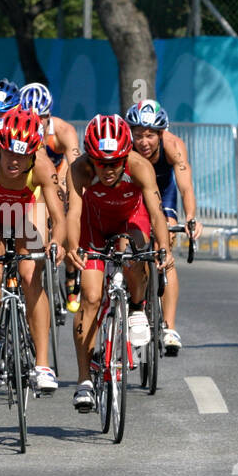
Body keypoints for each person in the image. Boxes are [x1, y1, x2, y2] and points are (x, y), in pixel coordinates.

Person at [65, 115, 173, 413]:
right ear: (90, 158)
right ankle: (84, 380)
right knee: (90, 297)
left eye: (115, 163)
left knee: (134, 252)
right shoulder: (79, 170)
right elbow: (73, 214)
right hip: (94, 226)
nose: (109, 169)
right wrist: (72, 246)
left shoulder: (139, 166)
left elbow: (155, 211)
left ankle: (137, 307)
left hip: (131, 220)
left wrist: (163, 247)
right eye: (102, 163)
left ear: (125, 157)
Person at [0, 106, 66, 393]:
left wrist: (56, 241)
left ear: (33, 152)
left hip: (28, 215)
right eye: (8, 152)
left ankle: (43, 364)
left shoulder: (44, 166)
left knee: (31, 276)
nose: (14, 160)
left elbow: (59, 218)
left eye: (22, 155)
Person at [124, 100, 200, 355]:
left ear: (160, 134)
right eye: (138, 135)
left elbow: (186, 186)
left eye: (149, 135)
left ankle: (169, 326)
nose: (144, 142)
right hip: (135, 195)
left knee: (164, 250)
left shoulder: (173, 146)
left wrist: (190, 218)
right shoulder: (125, 148)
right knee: (133, 243)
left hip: (164, 193)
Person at [21, 82, 82, 311]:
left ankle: (70, 272)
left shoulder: (63, 131)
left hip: (59, 177)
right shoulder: (19, 128)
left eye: (43, 117)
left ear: (50, 114)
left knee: (65, 215)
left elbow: (74, 165)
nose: (38, 122)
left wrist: (65, 188)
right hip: (34, 182)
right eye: (31, 116)